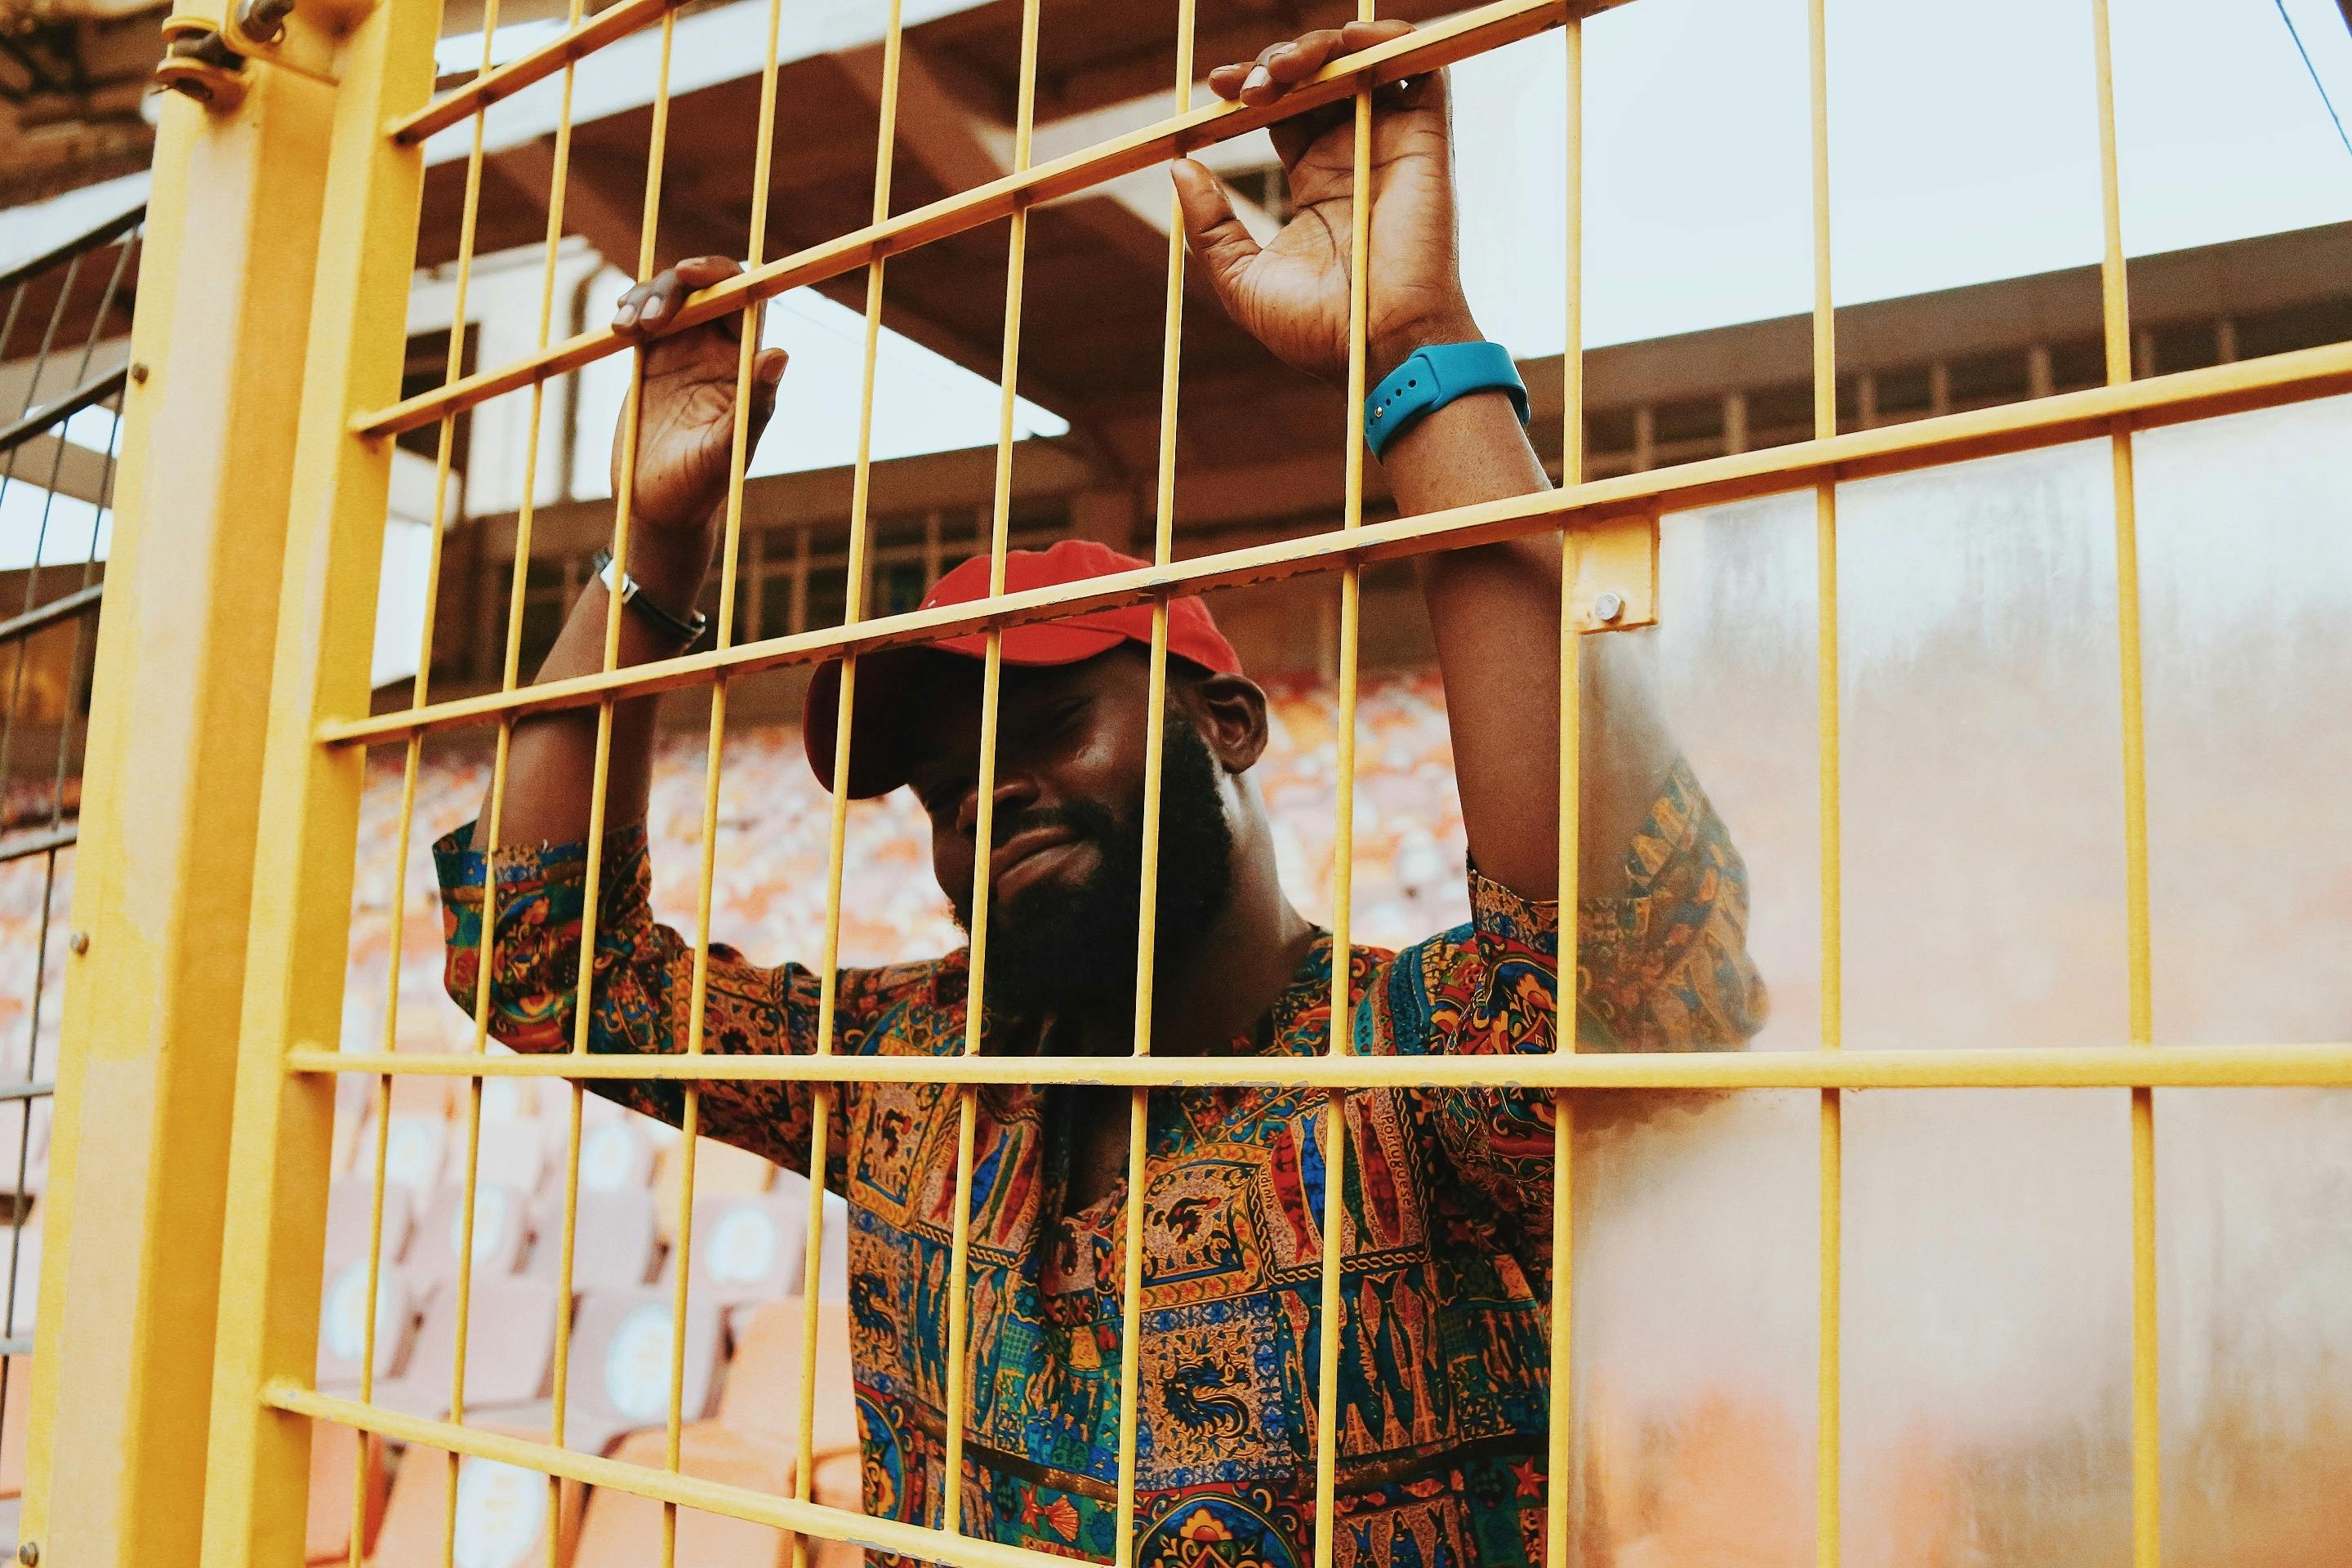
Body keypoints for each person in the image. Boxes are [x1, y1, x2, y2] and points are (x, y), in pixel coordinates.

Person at [438, 20, 1766, 1567]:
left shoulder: (1406, 1074)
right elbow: (546, 972)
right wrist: (651, 555)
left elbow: (1640, 969)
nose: (982, 802)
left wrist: (1416, 344)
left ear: (1230, 723)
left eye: (1050, 719)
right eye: (939, 782)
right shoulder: (909, 1072)